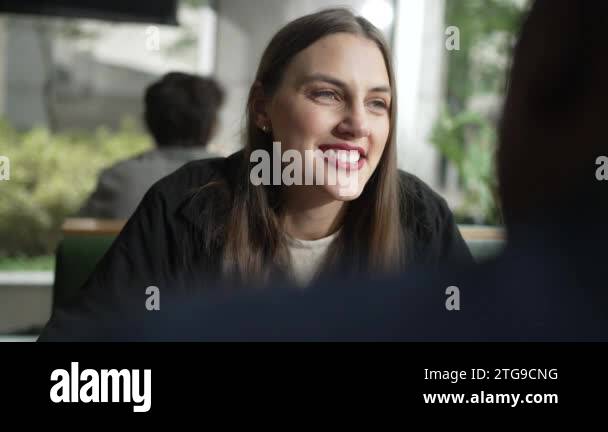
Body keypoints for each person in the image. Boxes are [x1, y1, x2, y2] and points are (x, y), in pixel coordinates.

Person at [38, 8, 473, 341]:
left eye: (378, 103)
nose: (358, 124)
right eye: (327, 94)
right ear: (263, 108)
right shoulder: (185, 207)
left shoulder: (421, 219)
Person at [78, 72, 224, 219]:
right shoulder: (235, 179)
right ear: (213, 125)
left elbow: (75, 236)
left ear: (148, 121)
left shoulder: (118, 179)